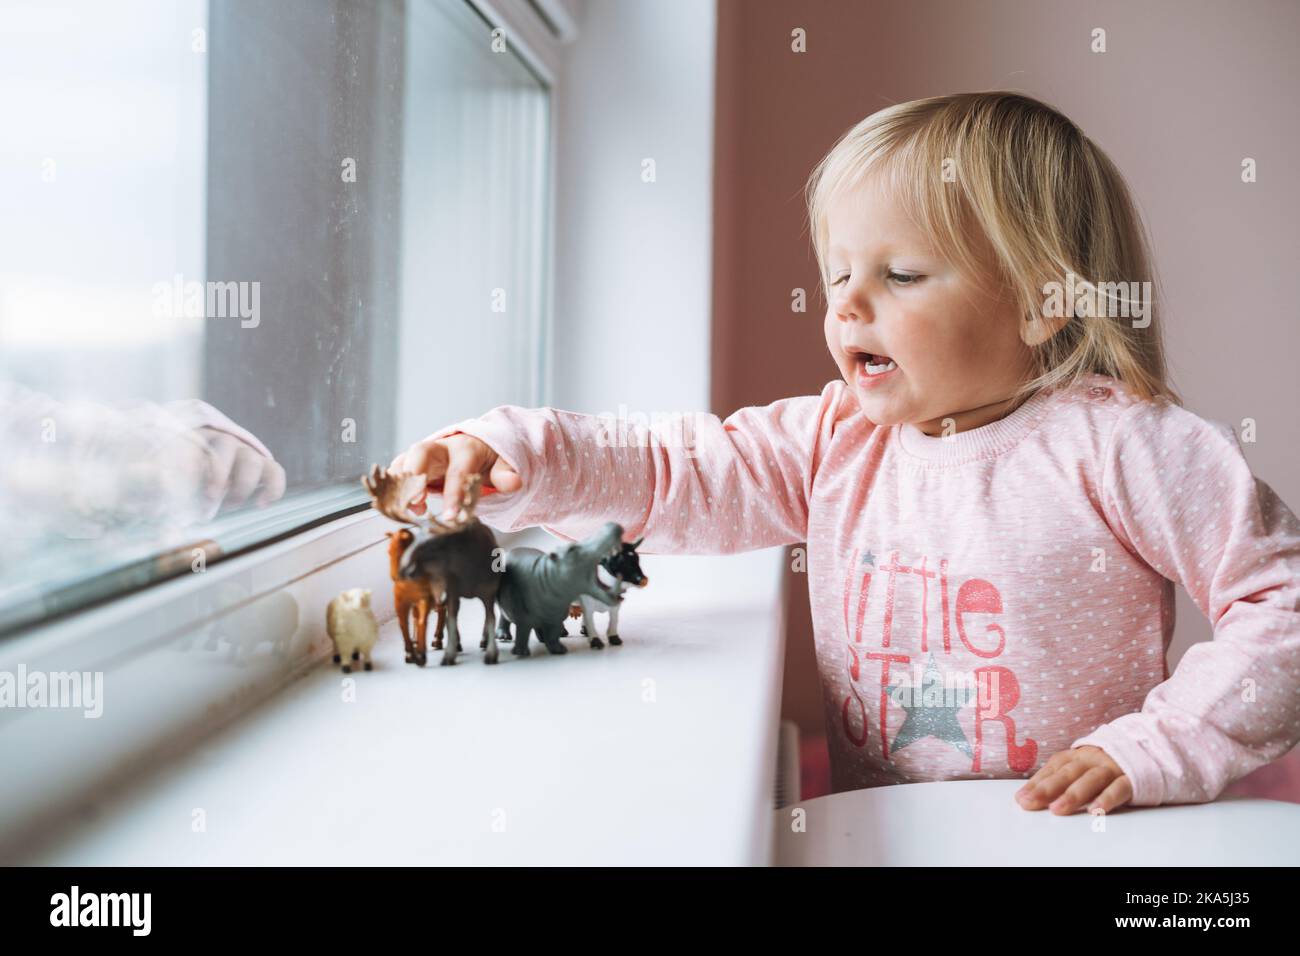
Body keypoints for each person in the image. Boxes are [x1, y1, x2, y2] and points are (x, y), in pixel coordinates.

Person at [388, 92, 1300, 815]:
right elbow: (677, 468)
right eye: (836, 275)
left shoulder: (1126, 447)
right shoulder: (838, 441)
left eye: (899, 275)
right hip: (891, 832)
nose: (849, 305)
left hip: (1078, 836)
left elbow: (1282, 602)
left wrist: (1161, 744)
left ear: (1040, 301)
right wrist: (515, 452)